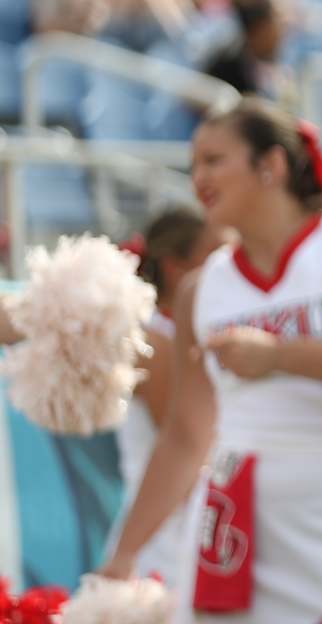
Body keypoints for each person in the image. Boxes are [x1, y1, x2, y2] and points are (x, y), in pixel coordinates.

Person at [98, 99, 322, 623]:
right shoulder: (201, 288)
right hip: (238, 528)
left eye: (214, 160)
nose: (199, 178)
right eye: (194, 165)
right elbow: (186, 436)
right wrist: (123, 556)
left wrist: (280, 355)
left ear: (271, 166)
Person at [110, 206, 233, 607]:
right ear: (177, 270)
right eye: (215, 256)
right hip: (169, 530)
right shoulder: (154, 343)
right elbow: (186, 446)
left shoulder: (185, 337)